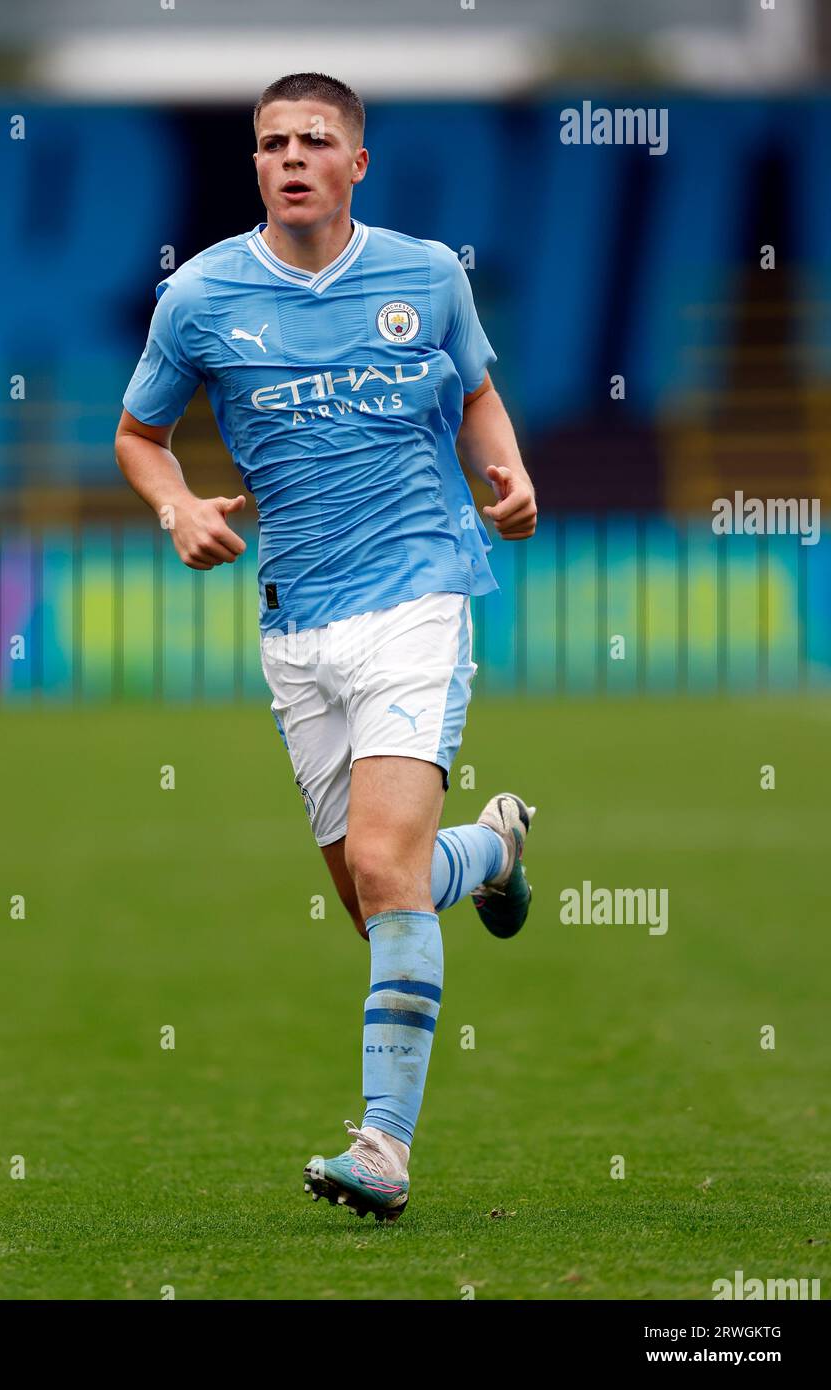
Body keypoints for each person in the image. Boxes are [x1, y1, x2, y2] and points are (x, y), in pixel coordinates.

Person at [116, 72, 537, 1223]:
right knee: (374, 898)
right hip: (297, 624)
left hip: (419, 596)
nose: (290, 156)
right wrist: (177, 507)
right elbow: (138, 435)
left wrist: (508, 480)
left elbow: (476, 398)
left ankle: (383, 1149)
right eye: (269, 143)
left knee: (386, 877)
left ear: (359, 162)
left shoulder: (427, 274)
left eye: (314, 140)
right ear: (253, 164)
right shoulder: (200, 296)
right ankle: (489, 854)